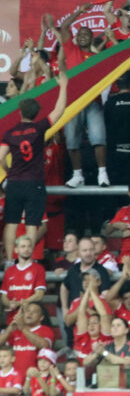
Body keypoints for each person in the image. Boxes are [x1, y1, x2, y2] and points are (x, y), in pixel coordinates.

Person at [0, 70, 67, 262]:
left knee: (11, 223)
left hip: (14, 183)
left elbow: (0, 157)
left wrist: (7, 171)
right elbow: (59, 110)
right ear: (36, 113)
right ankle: (26, 260)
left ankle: (10, 261)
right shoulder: (39, 128)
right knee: (31, 223)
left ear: (20, 112)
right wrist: (63, 86)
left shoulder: (9, 133)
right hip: (34, 183)